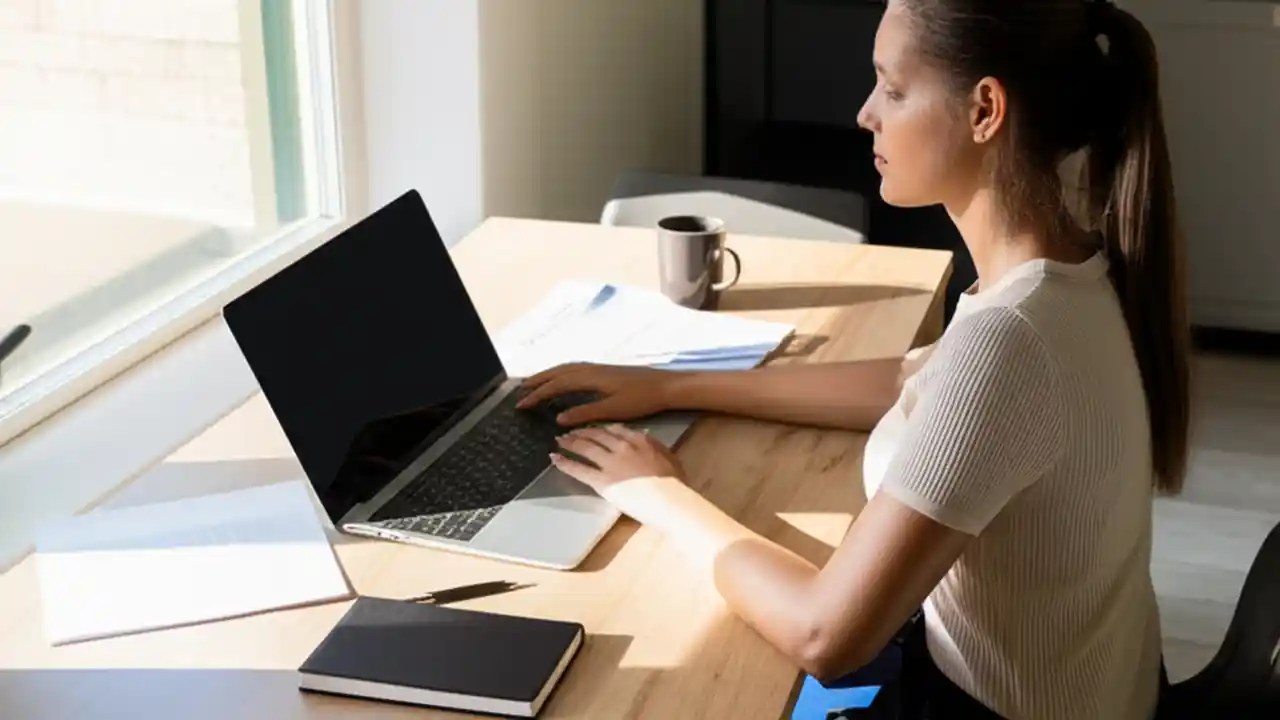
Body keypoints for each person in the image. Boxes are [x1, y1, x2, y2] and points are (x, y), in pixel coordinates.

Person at [517, 1, 1189, 717]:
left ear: (985, 110)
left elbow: (825, 632)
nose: (866, 114)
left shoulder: (1014, 339)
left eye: (892, 89)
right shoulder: (1069, 273)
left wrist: (658, 492)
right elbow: (914, 381)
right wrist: (673, 383)